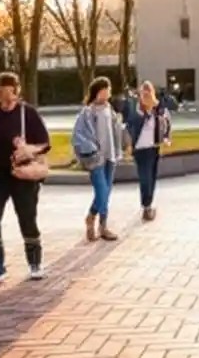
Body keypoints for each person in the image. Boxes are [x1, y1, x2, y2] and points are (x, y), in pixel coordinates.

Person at [0, 72, 52, 292]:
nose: (0, 92)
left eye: (4, 88)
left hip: (22, 174)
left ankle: (35, 262)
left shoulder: (28, 114)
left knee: (27, 217)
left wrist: (29, 149)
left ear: (15, 90)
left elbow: (45, 143)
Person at [73, 76, 125, 242]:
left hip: (110, 156)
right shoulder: (87, 112)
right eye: (106, 88)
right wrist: (92, 149)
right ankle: (91, 218)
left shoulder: (110, 110)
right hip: (96, 158)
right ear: (99, 91)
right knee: (102, 191)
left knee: (106, 192)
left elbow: (117, 131)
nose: (109, 92)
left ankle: (102, 225)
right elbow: (78, 135)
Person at [125, 80, 172, 221]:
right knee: (144, 178)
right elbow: (129, 126)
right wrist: (128, 145)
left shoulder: (159, 108)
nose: (145, 97)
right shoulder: (137, 109)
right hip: (140, 150)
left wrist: (166, 136)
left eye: (148, 93)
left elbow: (167, 121)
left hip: (154, 148)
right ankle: (146, 206)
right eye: (143, 94)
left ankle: (148, 204)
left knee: (151, 178)